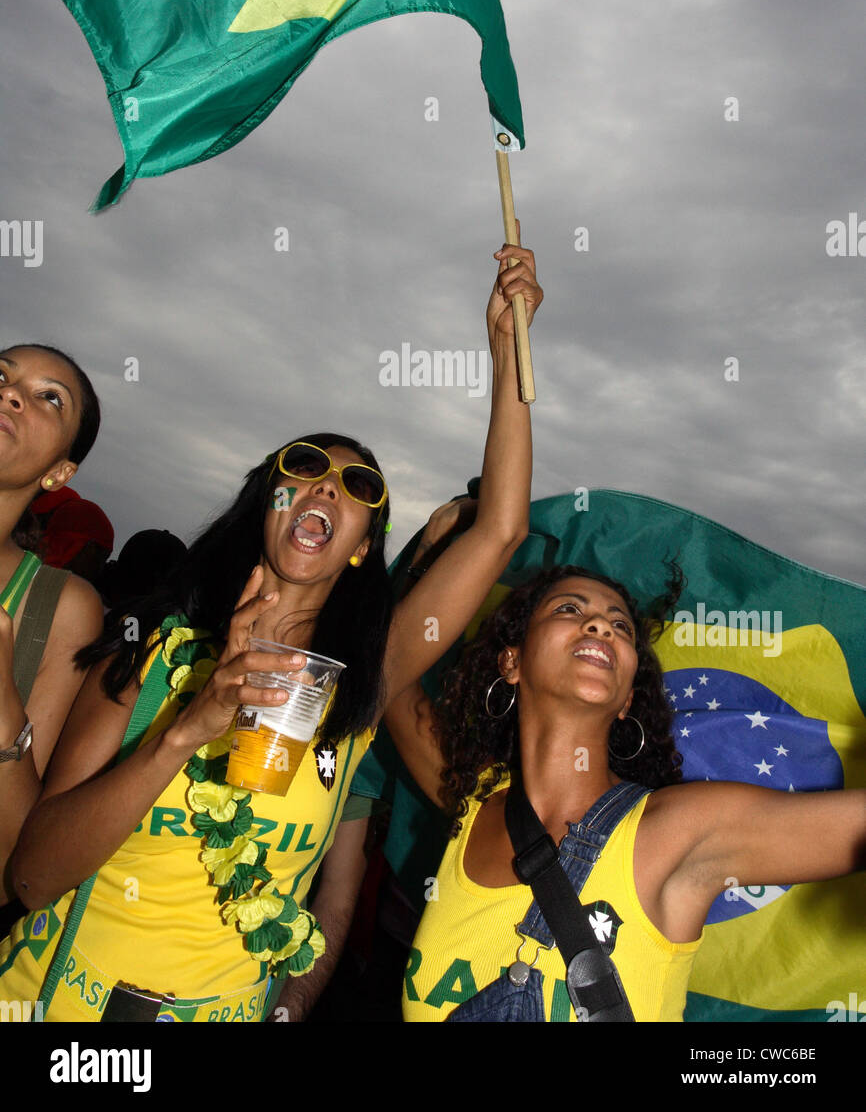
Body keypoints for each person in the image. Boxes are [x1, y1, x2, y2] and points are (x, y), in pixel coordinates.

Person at [0, 233, 542, 1021]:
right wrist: (190, 728)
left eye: (356, 486)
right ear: (268, 503)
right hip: (60, 1011)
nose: (326, 489)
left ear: (363, 546)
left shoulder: (362, 680)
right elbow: (32, 877)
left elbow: (500, 528)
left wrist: (508, 348)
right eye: (303, 470)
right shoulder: (154, 650)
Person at [388, 563, 866, 1022]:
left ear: (628, 700)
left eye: (620, 625)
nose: (600, 624)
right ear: (511, 661)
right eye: (569, 610)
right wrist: (429, 559)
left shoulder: (678, 832)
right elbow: (390, 670)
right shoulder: (474, 799)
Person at [0, 345, 104, 914]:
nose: (10, 392)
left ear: (59, 472)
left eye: (49, 398)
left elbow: (17, 872)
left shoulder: (59, 608)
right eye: (2, 374)